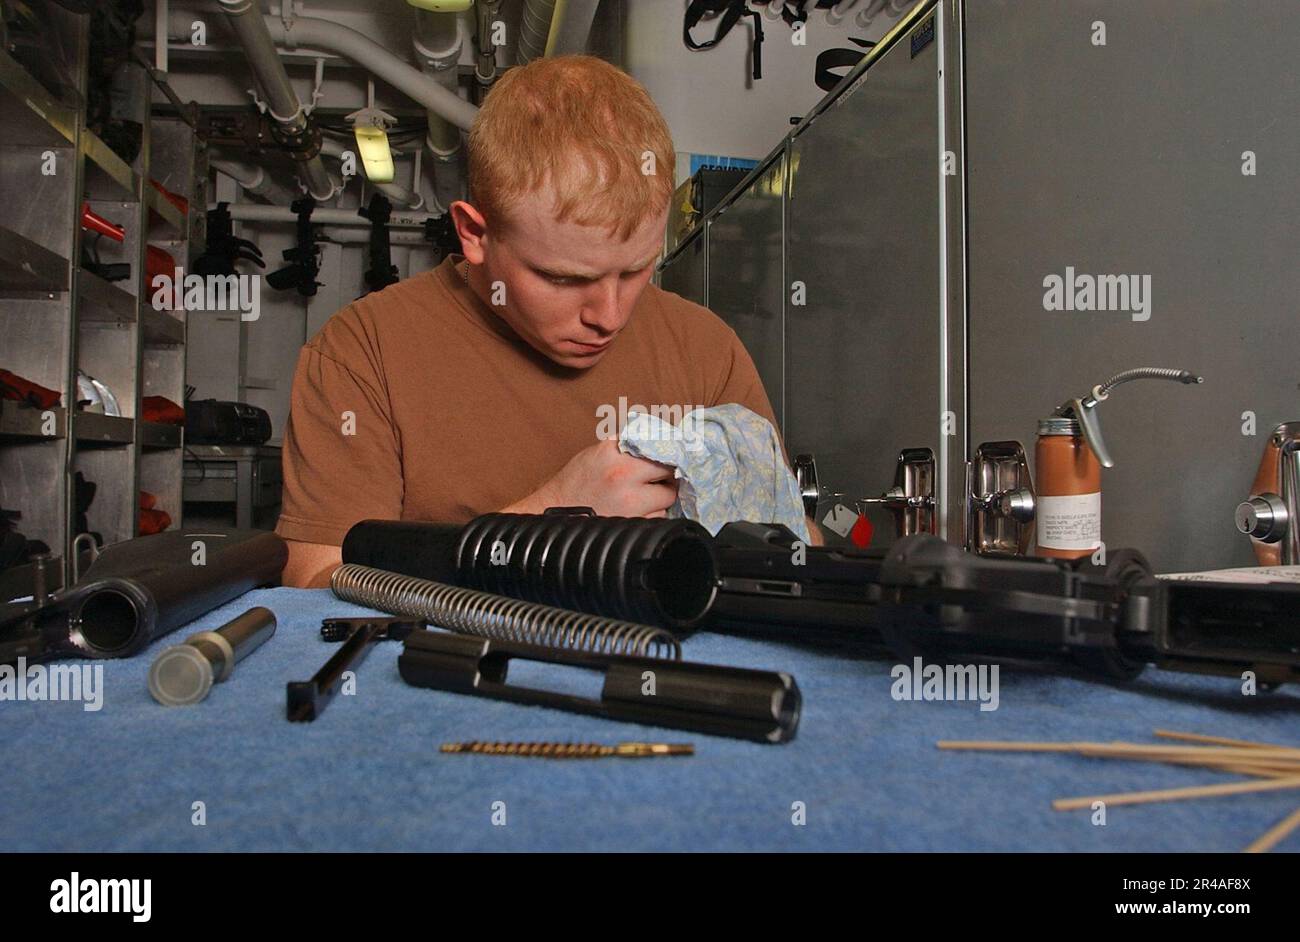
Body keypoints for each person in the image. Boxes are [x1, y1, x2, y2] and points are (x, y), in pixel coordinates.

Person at [276, 55, 806, 588]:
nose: (610, 316)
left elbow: (797, 549)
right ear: (475, 234)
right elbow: (316, 584)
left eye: (636, 269)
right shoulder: (361, 352)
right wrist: (553, 515)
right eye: (564, 279)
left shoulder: (706, 347)